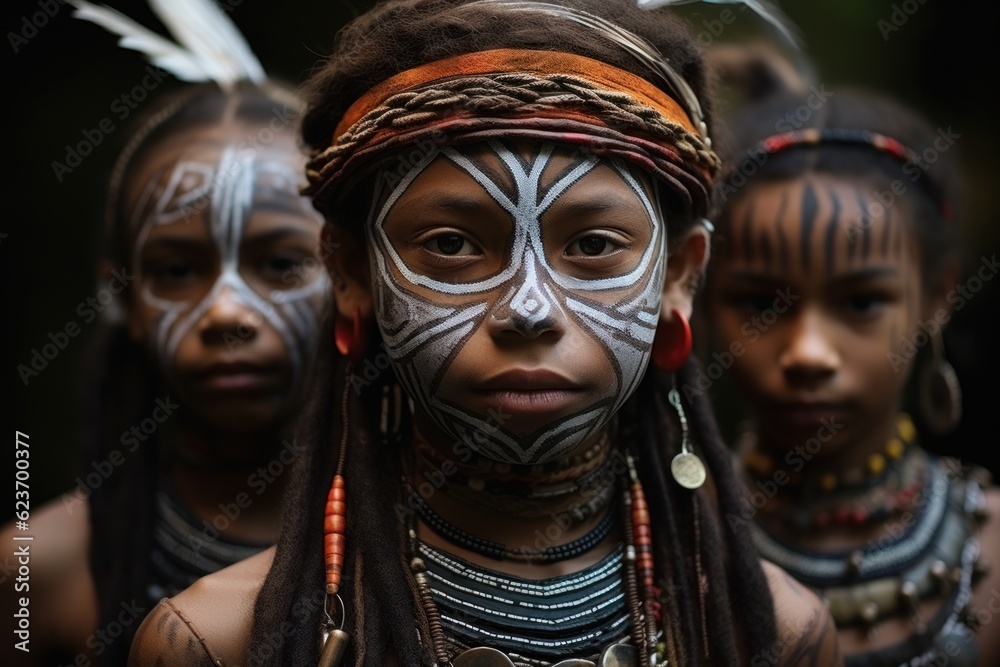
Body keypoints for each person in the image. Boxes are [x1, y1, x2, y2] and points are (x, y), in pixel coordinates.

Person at [128, 1, 843, 665]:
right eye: (451, 244)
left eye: (593, 245)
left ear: (680, 275)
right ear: (351, 273)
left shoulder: (774, 635)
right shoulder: (216, 644)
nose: (529, 308)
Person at [0, 2, 330, 665]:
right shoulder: (41, 568)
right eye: (177, 269)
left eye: (281, 263)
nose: (227, 313)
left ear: (353, 276)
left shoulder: (427, 550)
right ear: (121, 293)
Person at [699, 65, 1000, 666]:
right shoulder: (666, 541)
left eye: (860, 302)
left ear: (938, 296)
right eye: (762, 304)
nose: (808, 352)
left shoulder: (992, 549)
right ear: (698, 290)